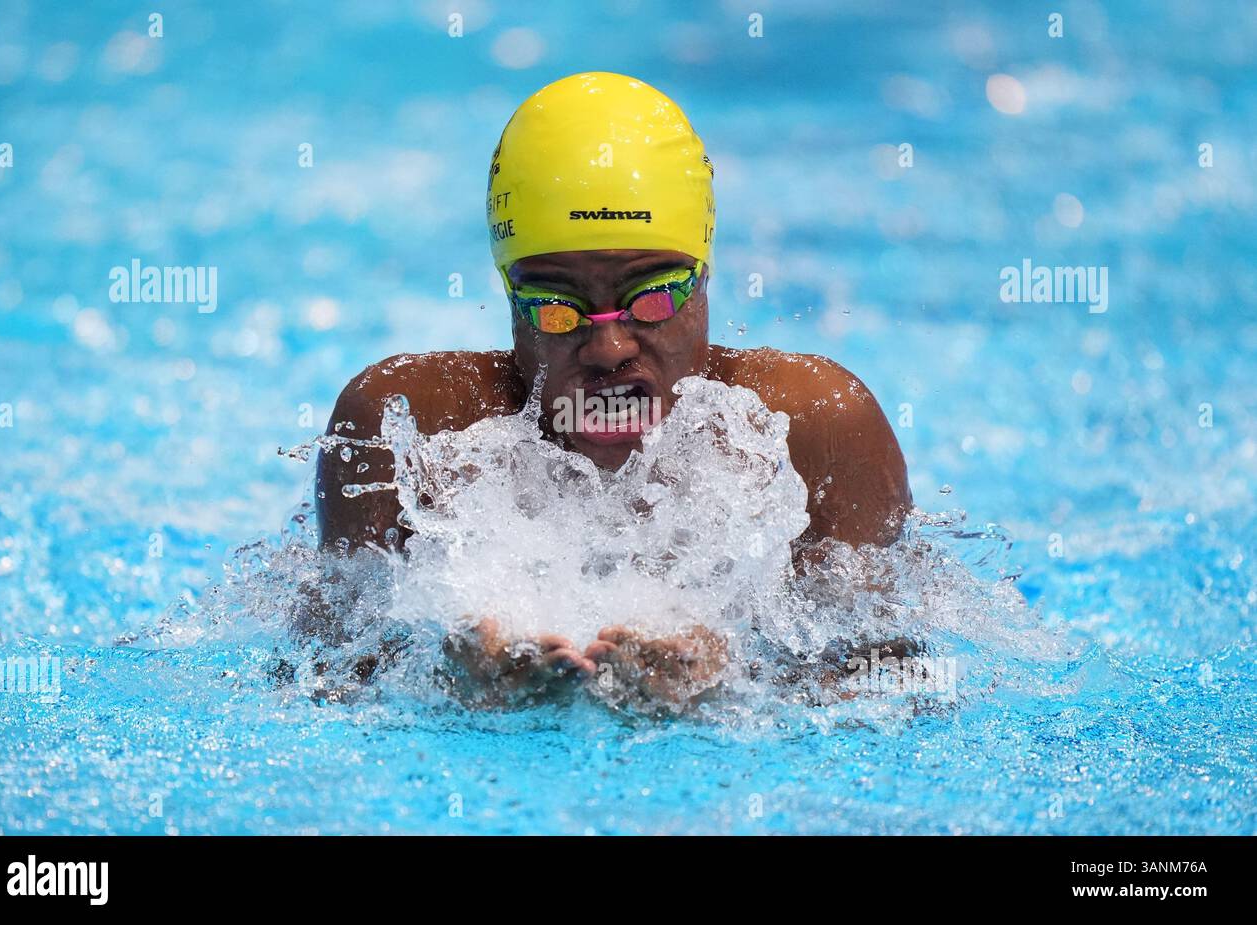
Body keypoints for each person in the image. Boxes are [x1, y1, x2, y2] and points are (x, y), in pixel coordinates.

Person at [316, 72, 911, 706]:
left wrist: (732, 685)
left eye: (652, 298)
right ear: (508, 296)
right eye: (555, 304)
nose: (608, 349)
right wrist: (448, 685)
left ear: (705, 278)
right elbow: (317, 678)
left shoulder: (815, 428)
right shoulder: (409, 428)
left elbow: (908, 681)